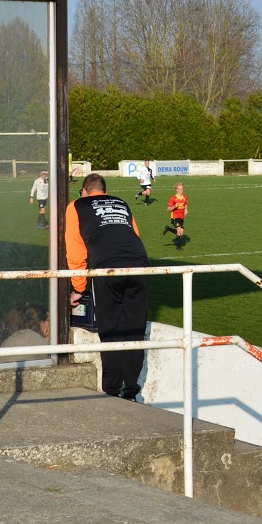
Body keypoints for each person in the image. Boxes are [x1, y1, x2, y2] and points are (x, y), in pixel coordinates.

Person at [65, 171, 151, 400]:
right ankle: (131, 390)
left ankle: (112, 390)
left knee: (110, 327)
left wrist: (79, 288)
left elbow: (76, 251)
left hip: (107, 266)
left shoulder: (77, 206)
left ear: (84, 191)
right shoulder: (120, 202)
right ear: (104, 190)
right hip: (139, 264)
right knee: (134, 329)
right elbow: (135, 234)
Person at [163, 181, 189, 249]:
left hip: (182, 217)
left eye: (182, 189)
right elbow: (168, 209)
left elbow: (185, 204)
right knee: (179, 231)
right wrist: (174, 207)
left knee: (181, 233)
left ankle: (168, 228)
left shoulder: (185, 197)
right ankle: (178, 247)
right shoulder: (173, 198)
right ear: (176, 189)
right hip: (175, 217)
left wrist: (186, 209)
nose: (181, 190)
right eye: (179, 189)